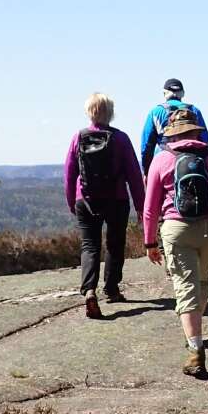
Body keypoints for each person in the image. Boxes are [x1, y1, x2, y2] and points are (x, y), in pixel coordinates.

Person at [142, 109, 208, 378]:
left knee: (186, 288)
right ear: (196, 132)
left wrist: (150, 242)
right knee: (203, 281)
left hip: (177, 229)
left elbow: (150, 208)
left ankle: (195, 350)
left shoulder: (162, 159)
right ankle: (194, 332)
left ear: (172, 134)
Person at [64, 92, 145, 319]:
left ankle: (89, 290)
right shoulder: (120, 138)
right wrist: (141, 205)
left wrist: (72, 200)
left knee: (90, 245)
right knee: (115, 244)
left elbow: (69, 173)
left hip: (85, 199)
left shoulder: (78, 137)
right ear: (110, 112)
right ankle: (111, 288)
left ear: (89, 112)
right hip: (116, 198)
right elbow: (134, 174)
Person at [139, 77, 208, 174]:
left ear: (164, 93)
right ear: (182, 93)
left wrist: (147, 171)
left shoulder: (155, 112)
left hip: (164, 164)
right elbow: (205, 141)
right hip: (193, 164)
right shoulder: (194, 111)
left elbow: (146, 145)